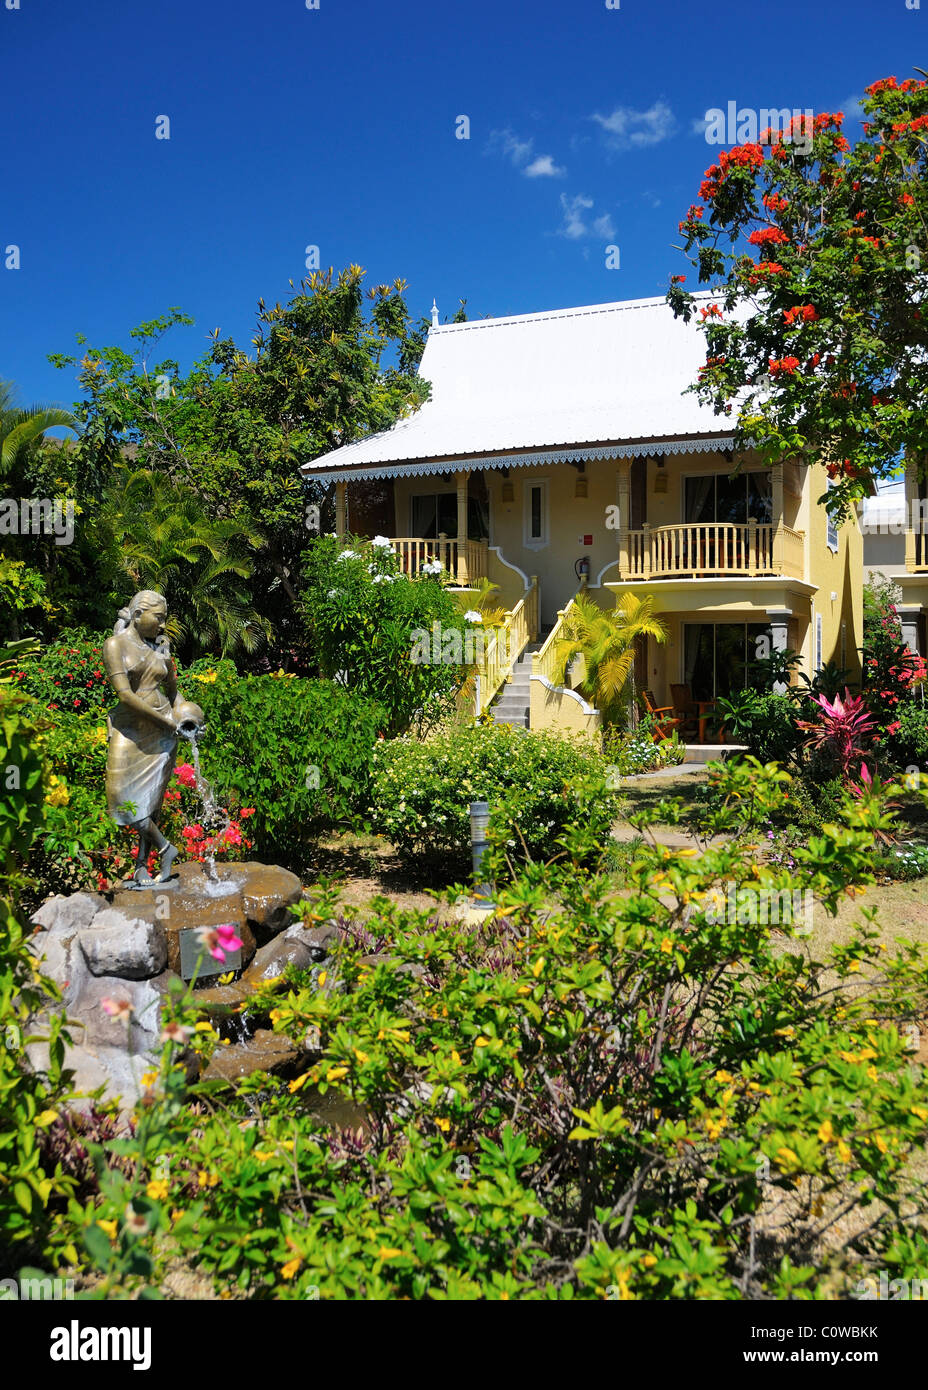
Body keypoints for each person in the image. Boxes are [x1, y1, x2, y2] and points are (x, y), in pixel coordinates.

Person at [103, 590, 192, 885]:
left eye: (165, 618)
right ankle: (166, 848)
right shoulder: (114, 645)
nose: (163, 625)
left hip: (164, 735)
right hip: (129, 729)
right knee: (121, 799)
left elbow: (173, 690)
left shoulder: (161, 647)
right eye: (159, 617)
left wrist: (186, 716)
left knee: (150, 803)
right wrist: (167, 720)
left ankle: (142, 865)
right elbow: (125, 695)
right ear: (138, 614)